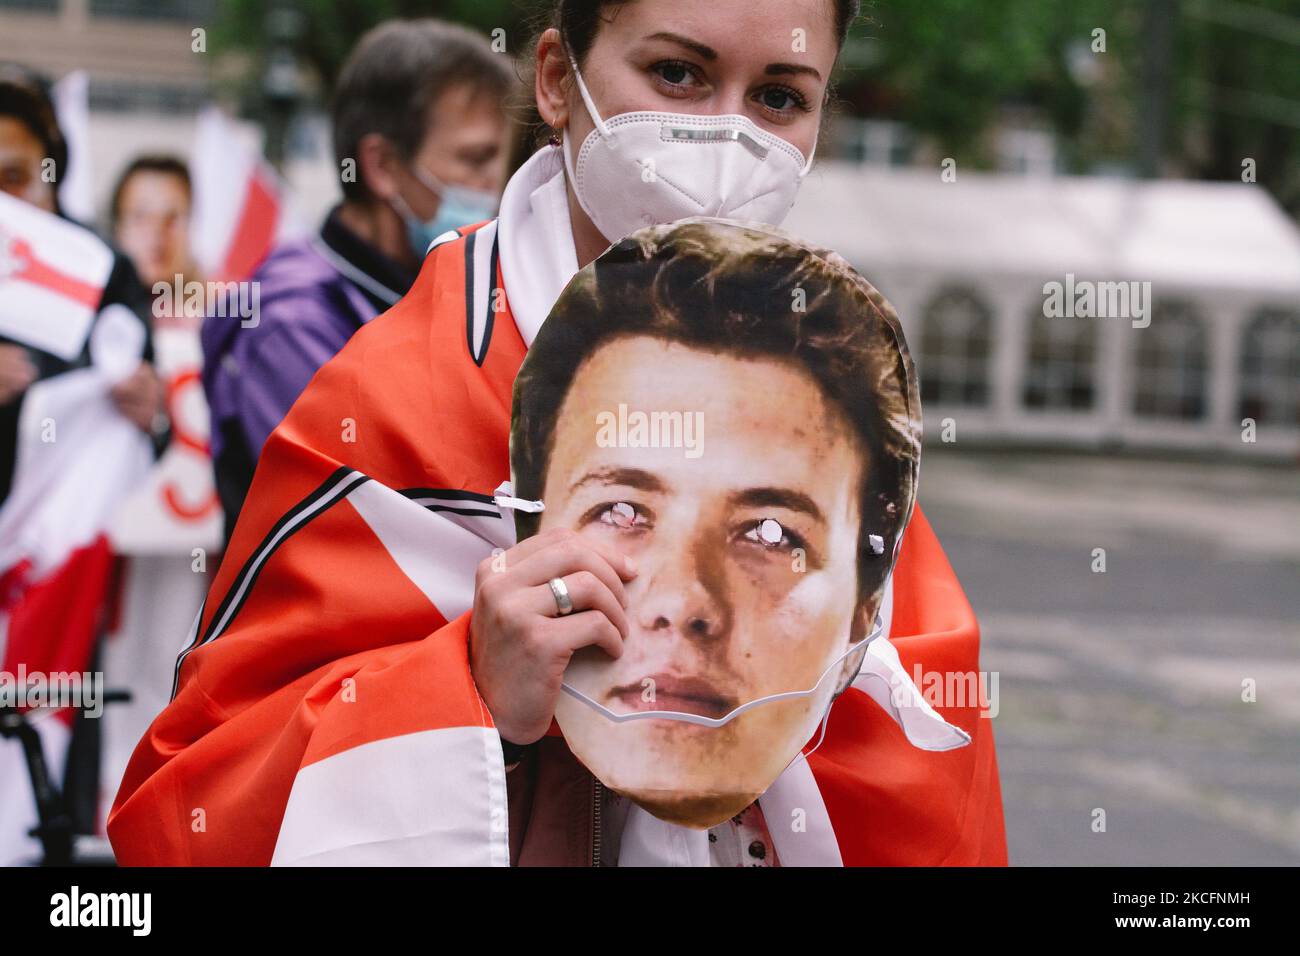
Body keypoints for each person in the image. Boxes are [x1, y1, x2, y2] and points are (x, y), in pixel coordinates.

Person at [111, 0, 1006, 866]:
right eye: (678, 73)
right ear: (555, 79)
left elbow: (931, 761)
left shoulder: (836, 398)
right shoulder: (393, 403)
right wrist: (465, 689)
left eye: (780, 97)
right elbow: (191, 808)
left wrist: (805, 696)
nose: (729, 135)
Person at [512, 220, 935, 837]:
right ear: (527, 531)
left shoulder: (916, 826)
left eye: (770, 534)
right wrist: (483, 725)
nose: (685, 604)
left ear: (867, 608)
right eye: (622, 512)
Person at [201, 19, 515, 541]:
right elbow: (360, 525)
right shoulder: (292, 321)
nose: (497, 187)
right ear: (383, 167)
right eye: (475, 160)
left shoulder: (448, 290)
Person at [109, 155, 198, 291]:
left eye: (172, 218)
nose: (157, 232)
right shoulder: (87, 307)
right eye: (141, 216)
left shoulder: (224, 306)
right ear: (118, 227)